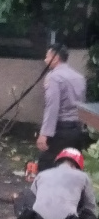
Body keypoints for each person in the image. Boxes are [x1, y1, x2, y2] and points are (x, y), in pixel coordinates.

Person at [14, 148, 97, 219]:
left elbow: (34, 198)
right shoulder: (83, 178)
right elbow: (90, 206)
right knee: (90, 216)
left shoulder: (42, 175)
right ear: (76, 166)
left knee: (26, 195)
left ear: (58, 162)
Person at [36, 43, 87, 172]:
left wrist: (45, 134)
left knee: (47, 165)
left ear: (55, 58)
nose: (45, 60)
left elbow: (52, 106)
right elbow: (82, 105)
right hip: (76, 129)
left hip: (60, 129)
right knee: (72, 166)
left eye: (47, 57)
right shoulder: (79, 77)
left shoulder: (54, 77)